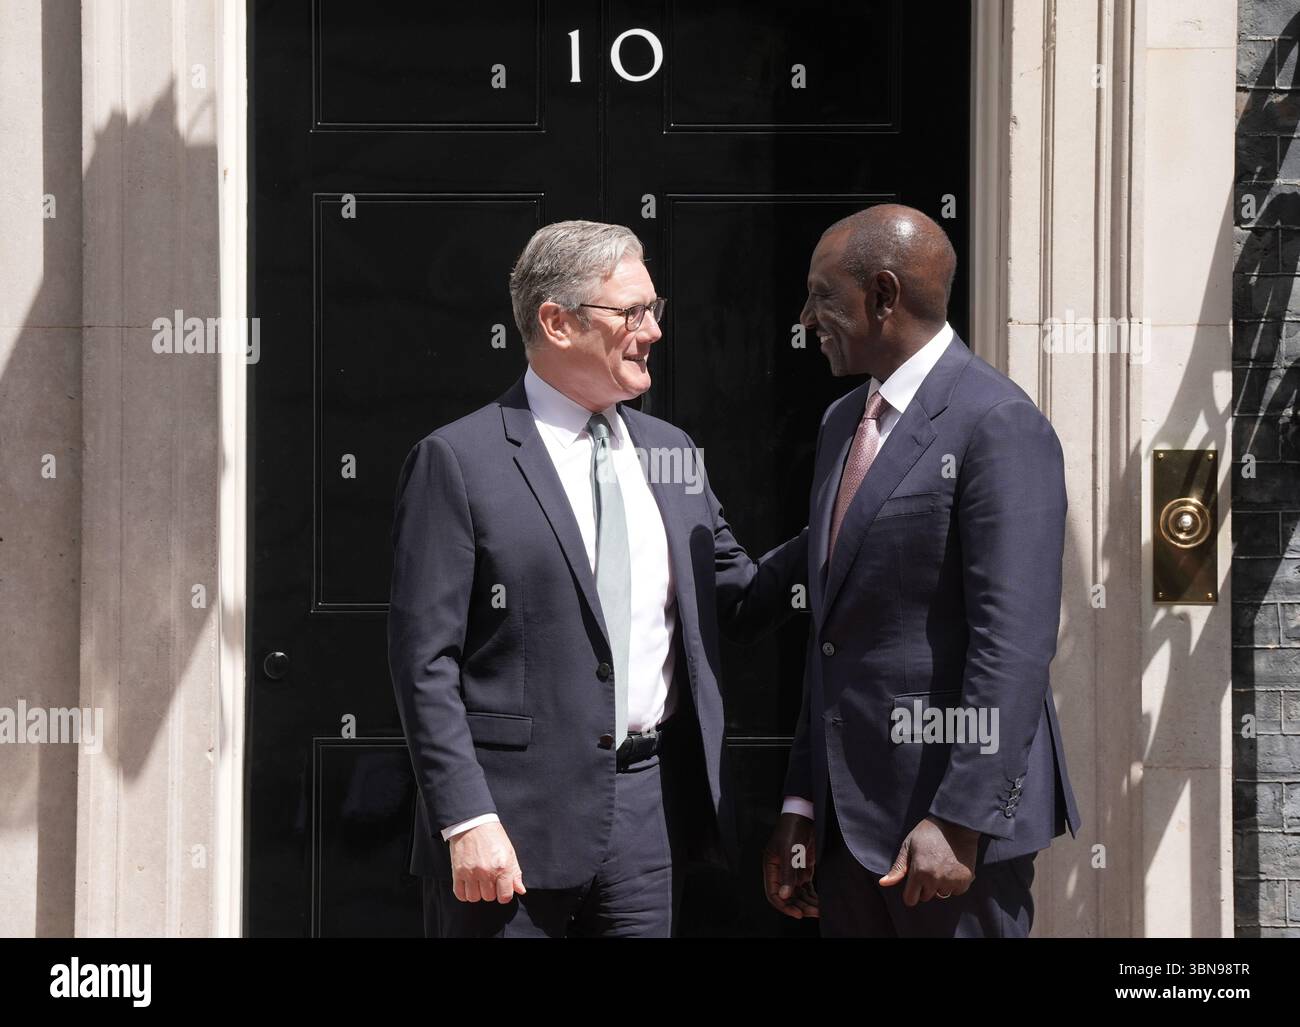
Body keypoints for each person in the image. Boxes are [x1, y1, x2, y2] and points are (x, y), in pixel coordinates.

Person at [389, 219, 806, 937]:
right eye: (633, 312)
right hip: (507, 829)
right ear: (556, 321)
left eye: (655, 310)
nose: (653, 331)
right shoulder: (458, 460)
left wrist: (845, 513)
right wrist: (466, 818)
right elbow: (423, 662)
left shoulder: (671, 452)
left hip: (649, 820)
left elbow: (737, 599)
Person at [763, 204, 1080, 937]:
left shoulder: (998, 422)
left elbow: (1016, 645)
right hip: (846, 836)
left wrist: (962, 818)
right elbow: (833, 634)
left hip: (943, 840)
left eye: (822, 294)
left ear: (882, 294)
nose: (808, 315)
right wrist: (803, 803)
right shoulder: (843, 422)